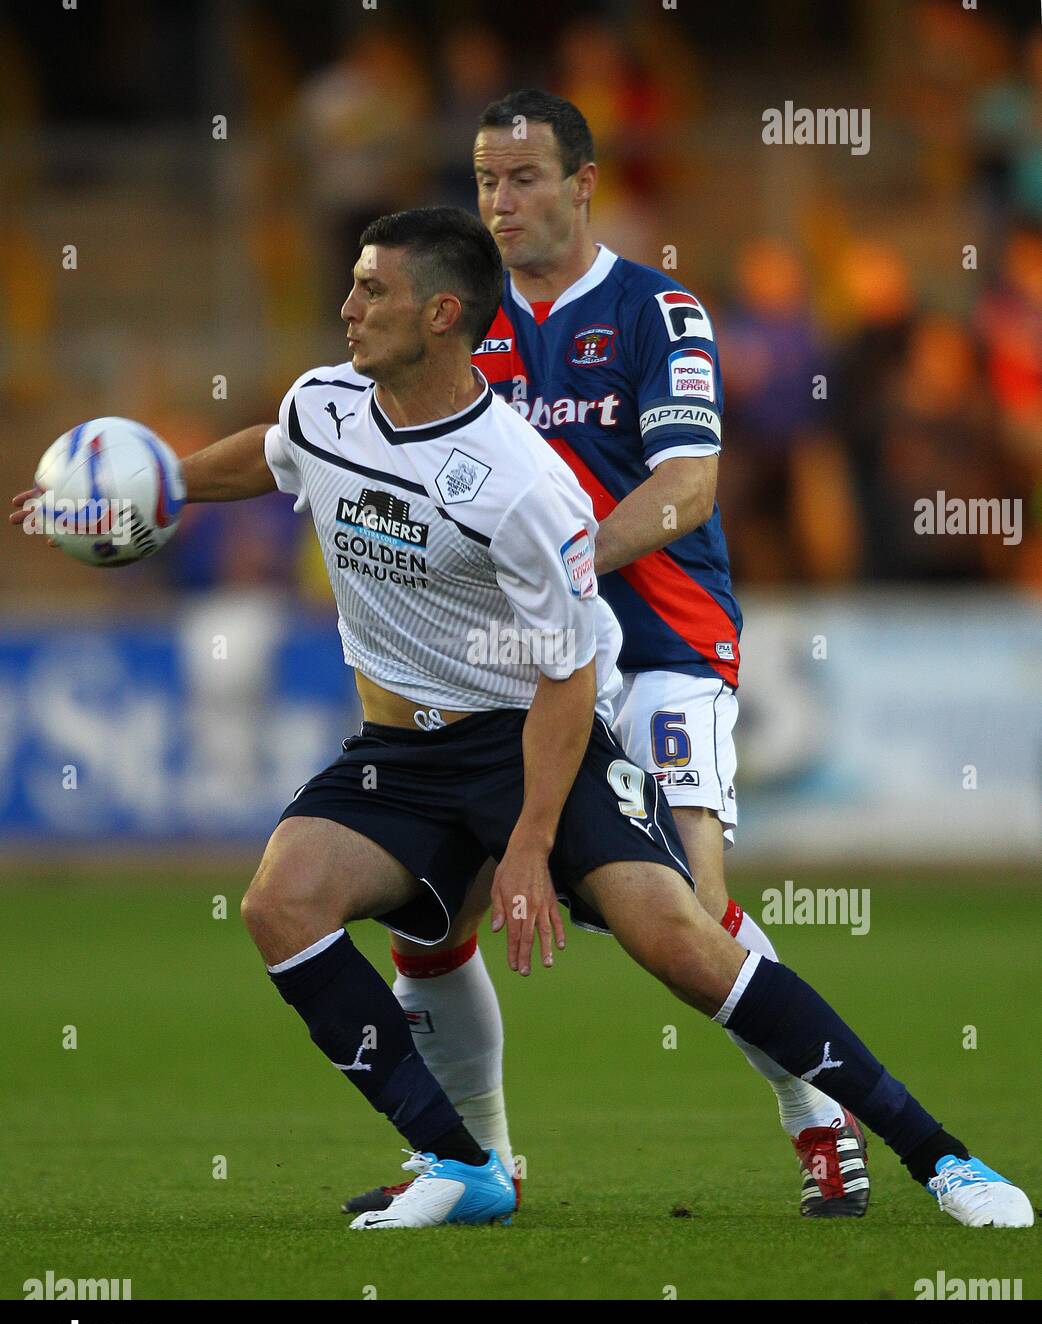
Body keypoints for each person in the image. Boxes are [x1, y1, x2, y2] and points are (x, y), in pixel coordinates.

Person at [11, 207, 1031, 1232]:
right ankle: (460, 1164)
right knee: (283, 902)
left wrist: (530, 843)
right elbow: (275, 455)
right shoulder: (326, 405)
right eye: (354, 284)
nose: (347, 306)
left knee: (681, 938)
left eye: (373, 290)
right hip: (399, 754)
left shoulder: (519, 484)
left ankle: (940, 1157)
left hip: (532, 737)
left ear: (441, 315)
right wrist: (160, 489)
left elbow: (568, 671)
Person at [348, 92, 866, 1220]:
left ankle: (817, 1117)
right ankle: (477, 1161)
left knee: (689, 901)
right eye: (487, 180)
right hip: (512, 663)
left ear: (584, 184)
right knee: (433, 914)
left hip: (664, 641)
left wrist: (564, 564)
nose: (501, 201)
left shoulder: (654, 311)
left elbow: (685, 490)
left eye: (525, 178)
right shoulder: (455, 316)